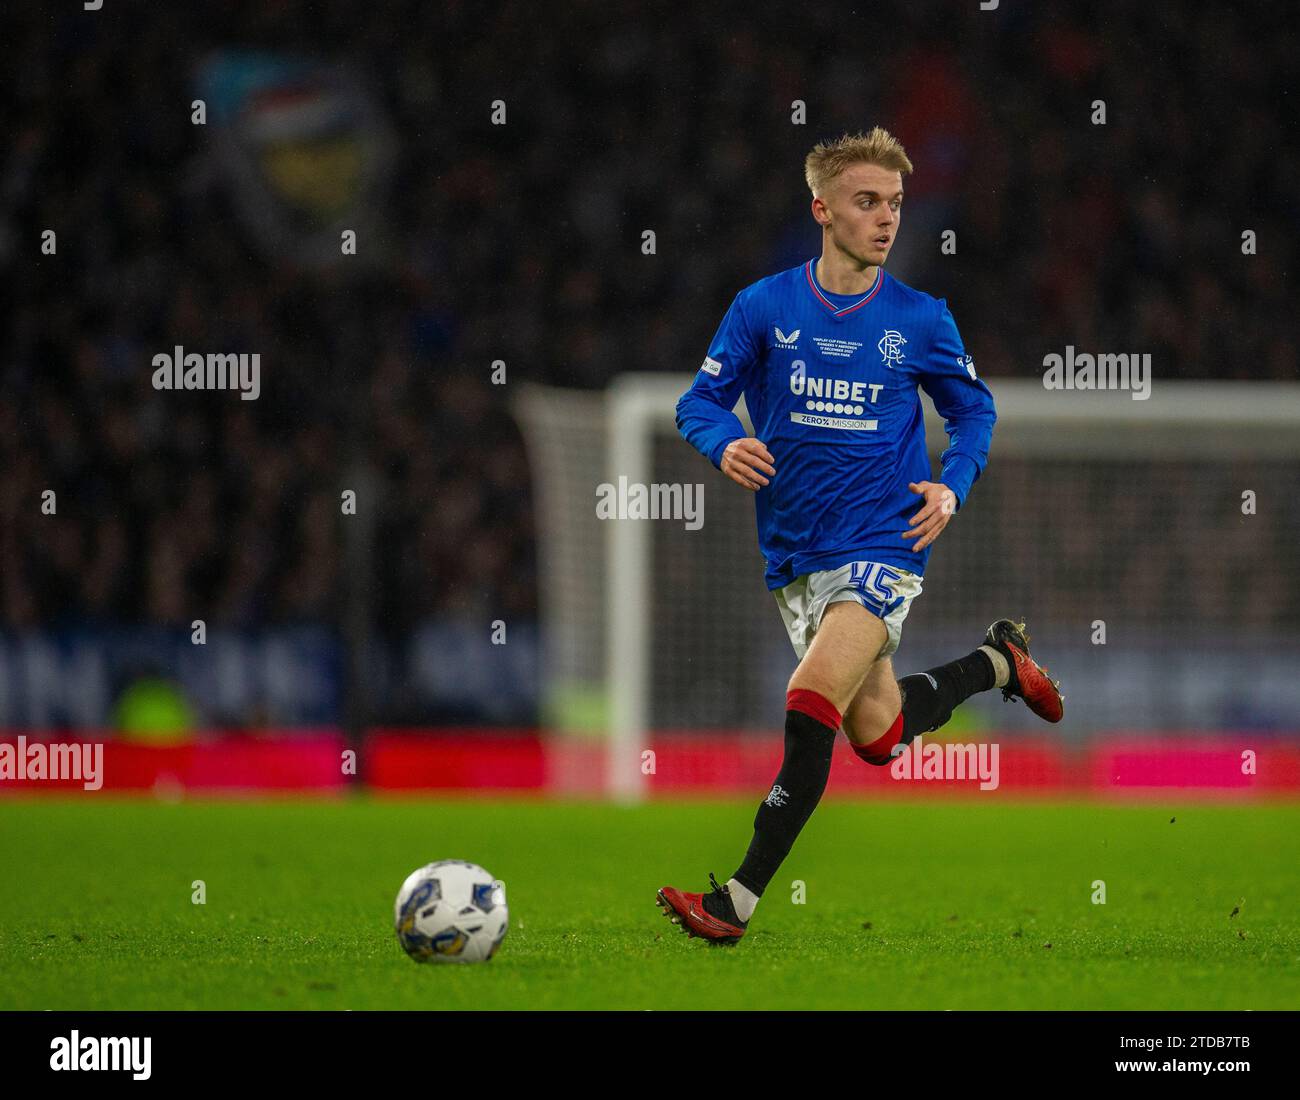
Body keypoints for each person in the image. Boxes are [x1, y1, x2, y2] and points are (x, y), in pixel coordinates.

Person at [659, 129, 1063, 946]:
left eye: (895, 205)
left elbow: (973, 408)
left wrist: (953, 483)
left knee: (808, 701)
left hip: (885, 544)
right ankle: (998, 661)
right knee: (877, 735)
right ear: (823, 209)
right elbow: (697, 403)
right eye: (867, 202)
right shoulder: (764, 307)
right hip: (796, 557)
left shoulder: (920, 318)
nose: (886, 219)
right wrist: (722, 439)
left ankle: (736, 901)